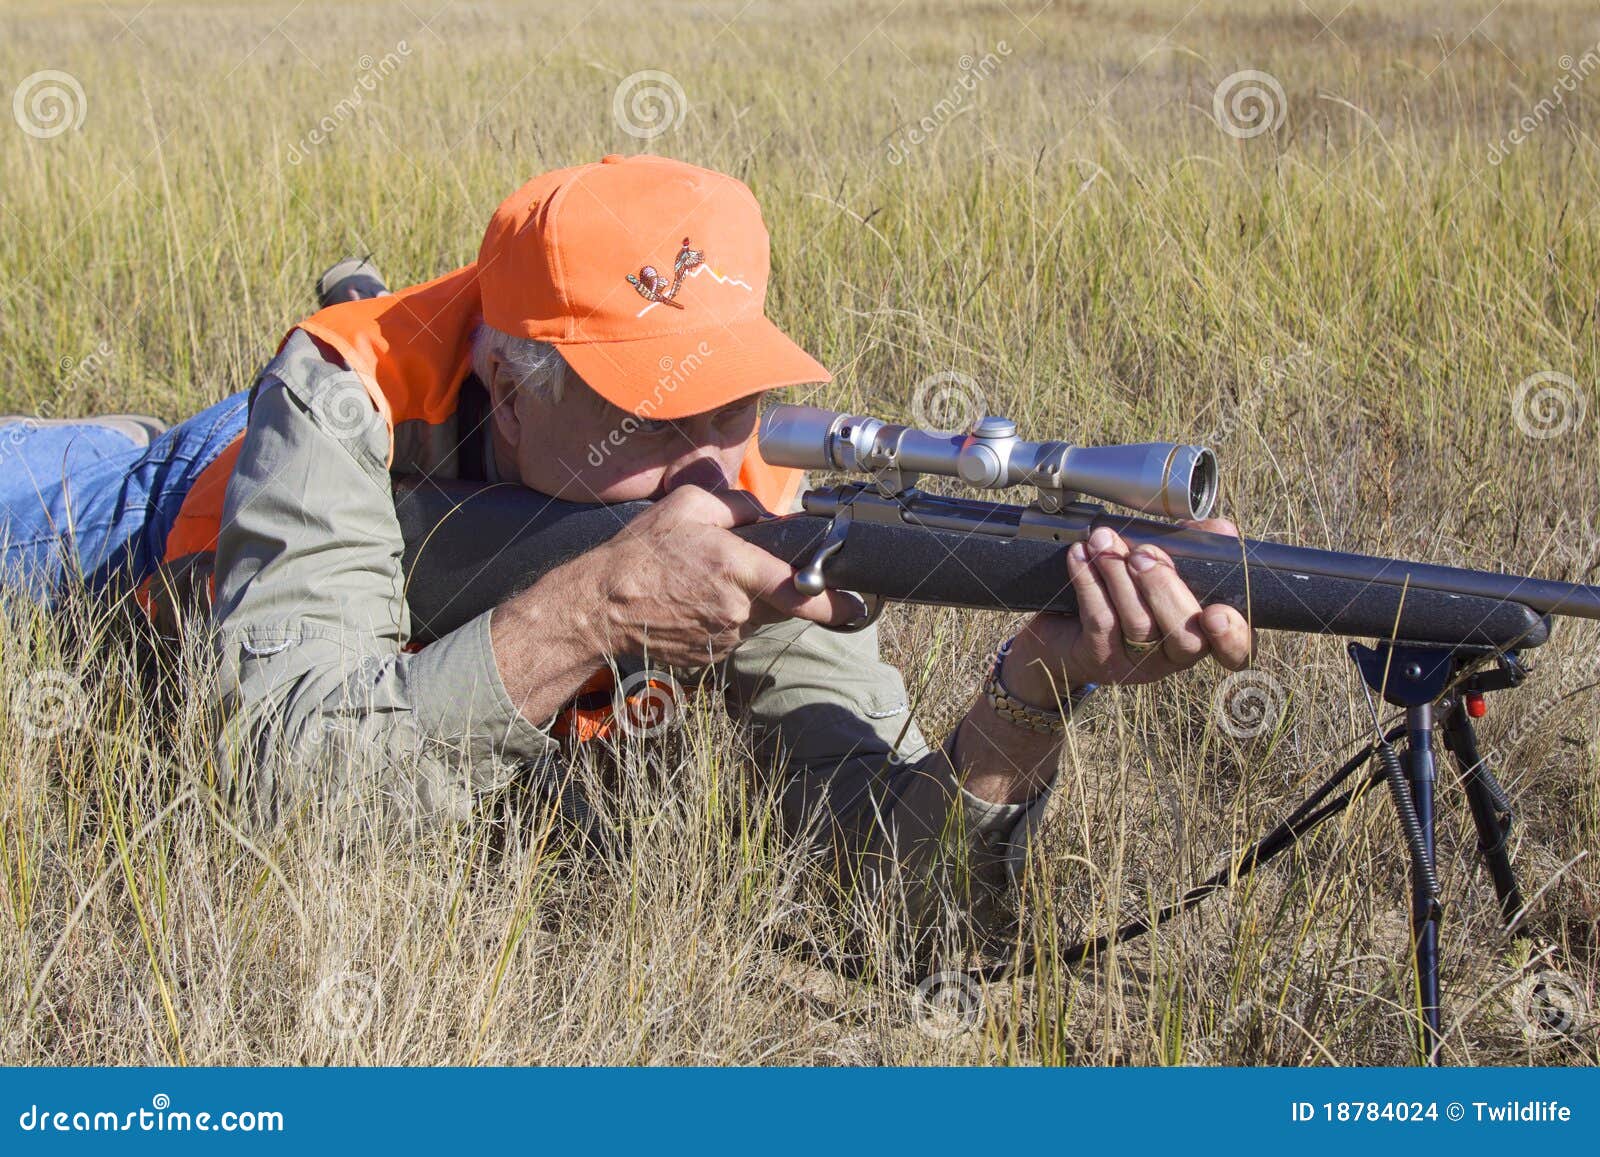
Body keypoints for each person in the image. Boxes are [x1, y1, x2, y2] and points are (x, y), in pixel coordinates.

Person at [0, 155, 1253, 952]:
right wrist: (590, 609)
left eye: (731, 400)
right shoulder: (343, 394)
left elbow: (889, 889)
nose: (712, 462)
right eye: (652, 413)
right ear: (506, 380)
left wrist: (1031, 694)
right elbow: (280, 793)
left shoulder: (745, 475)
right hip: (138, 521)